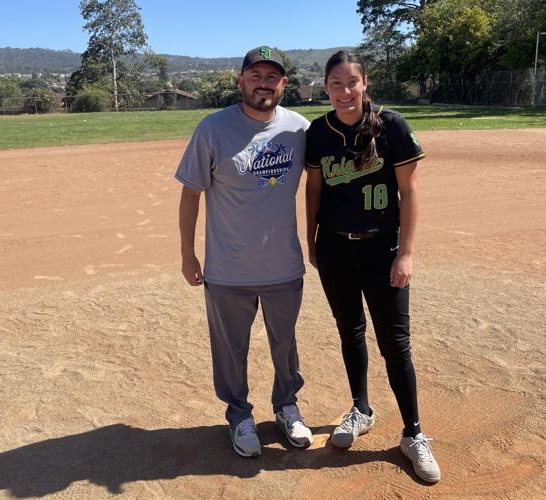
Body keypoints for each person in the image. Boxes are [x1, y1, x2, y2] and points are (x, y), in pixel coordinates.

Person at [304, 50, 441, 483]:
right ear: (326, 88)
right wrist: (310, 240)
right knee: (350, 332)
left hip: (383, 250)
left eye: (352, 82)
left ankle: (413, 433)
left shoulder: (391, 124)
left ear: (365, 83)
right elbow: (313, 189)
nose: (345, 91)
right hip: (335, 249)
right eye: (336, 84)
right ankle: (361, 409)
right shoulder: (318, 132)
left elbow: (410, 193)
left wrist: (406, 252)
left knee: (395, 344)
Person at [176, 46, 313, 458]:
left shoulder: (300, 129)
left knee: (284, 345)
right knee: (230, 349)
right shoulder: (213, 128)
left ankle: (286, 406)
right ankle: (239, 414)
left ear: (283, 83)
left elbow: (328, 179)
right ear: (241, 81)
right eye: (255, 76)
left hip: (283, 265)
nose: (263, 84)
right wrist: (187, 254)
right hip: (228, 269)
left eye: (272, 77)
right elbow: (190, 194)